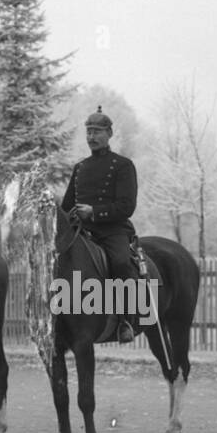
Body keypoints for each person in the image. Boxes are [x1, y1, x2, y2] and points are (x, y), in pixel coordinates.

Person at [61, 106, 141, 343]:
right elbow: (66, 207)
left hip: (112, 230)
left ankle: (126, 320)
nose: (91, 137)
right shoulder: (80, 168)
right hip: (82, 232)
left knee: (120, 262)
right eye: (88, 132)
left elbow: (126, 206)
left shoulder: (122, 165)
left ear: (109, 134)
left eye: (97, 131)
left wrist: (94, 212)